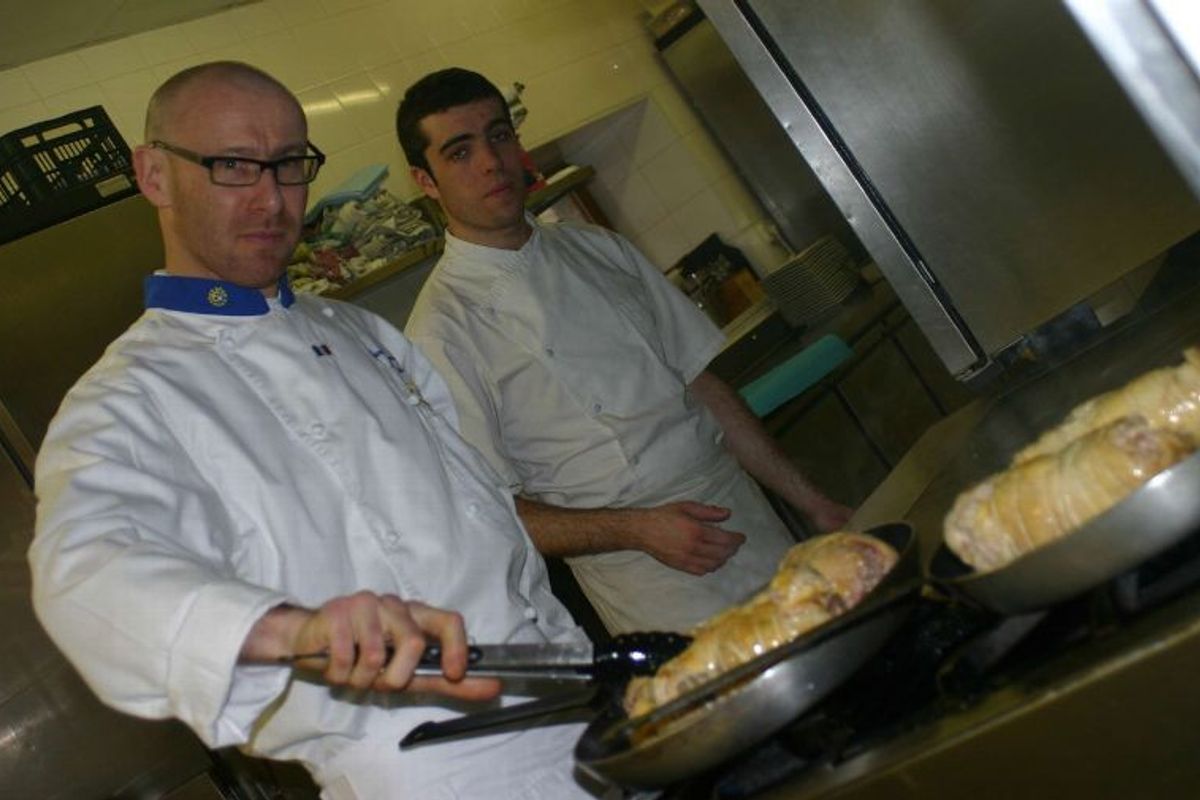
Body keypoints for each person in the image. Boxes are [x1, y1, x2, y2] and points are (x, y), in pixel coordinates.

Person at [27, 61, 605, 800]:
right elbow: (86, 574)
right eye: (234, 166)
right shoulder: (129, 397)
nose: (272, 199)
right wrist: (291, 630)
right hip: (436, 769)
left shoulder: (360, 332)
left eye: (290, 164)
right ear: (154, 175)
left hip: (578, 701)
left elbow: (482, 517)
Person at [398, 68, 853, 635]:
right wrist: (638, 529)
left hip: (749, 517)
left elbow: (703, 387)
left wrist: (814, 504)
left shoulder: (598, 248)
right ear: (426, 181)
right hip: (655, 583)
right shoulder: (441, 331)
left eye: (499, 136)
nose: (491, 162)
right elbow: (487, 511)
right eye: (460, 152)